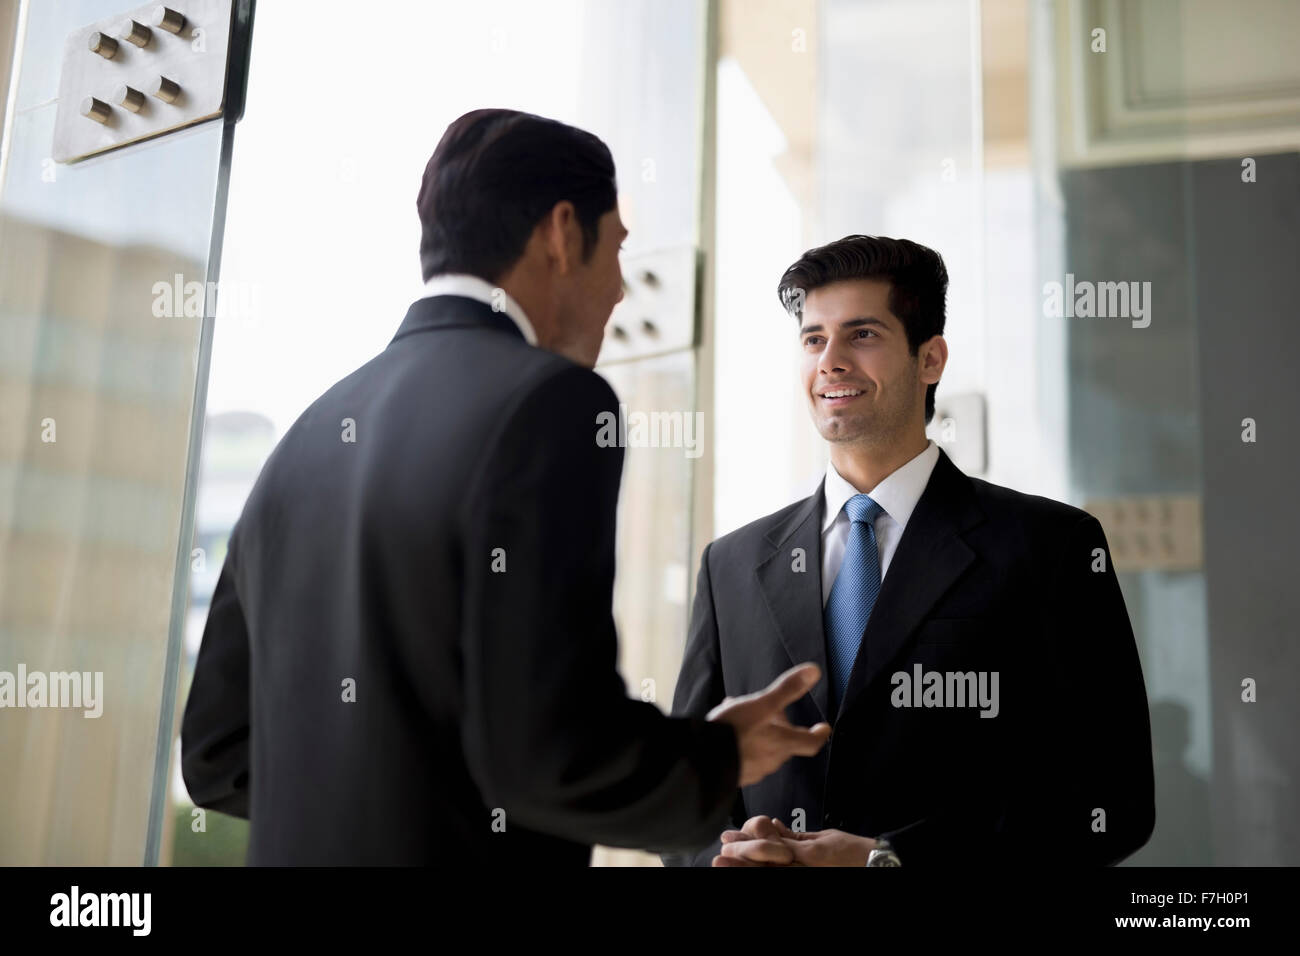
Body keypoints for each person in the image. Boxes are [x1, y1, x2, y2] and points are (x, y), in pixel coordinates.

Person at [180, 108, 830, 865]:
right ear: (560, 232)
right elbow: (550, 753)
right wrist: (717, 755)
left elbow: (219, 755)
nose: (619, 289)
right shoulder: (551, 403)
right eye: (616, 247)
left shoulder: (309, 431)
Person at [663, 235, 1155, 867]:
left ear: (930, 359)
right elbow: (682, 802)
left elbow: (1112, 803)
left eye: (861, 334)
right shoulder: (730, 565)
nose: (831, 361)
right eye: (814, 339)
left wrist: (886, 859)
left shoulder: (1051, 547)